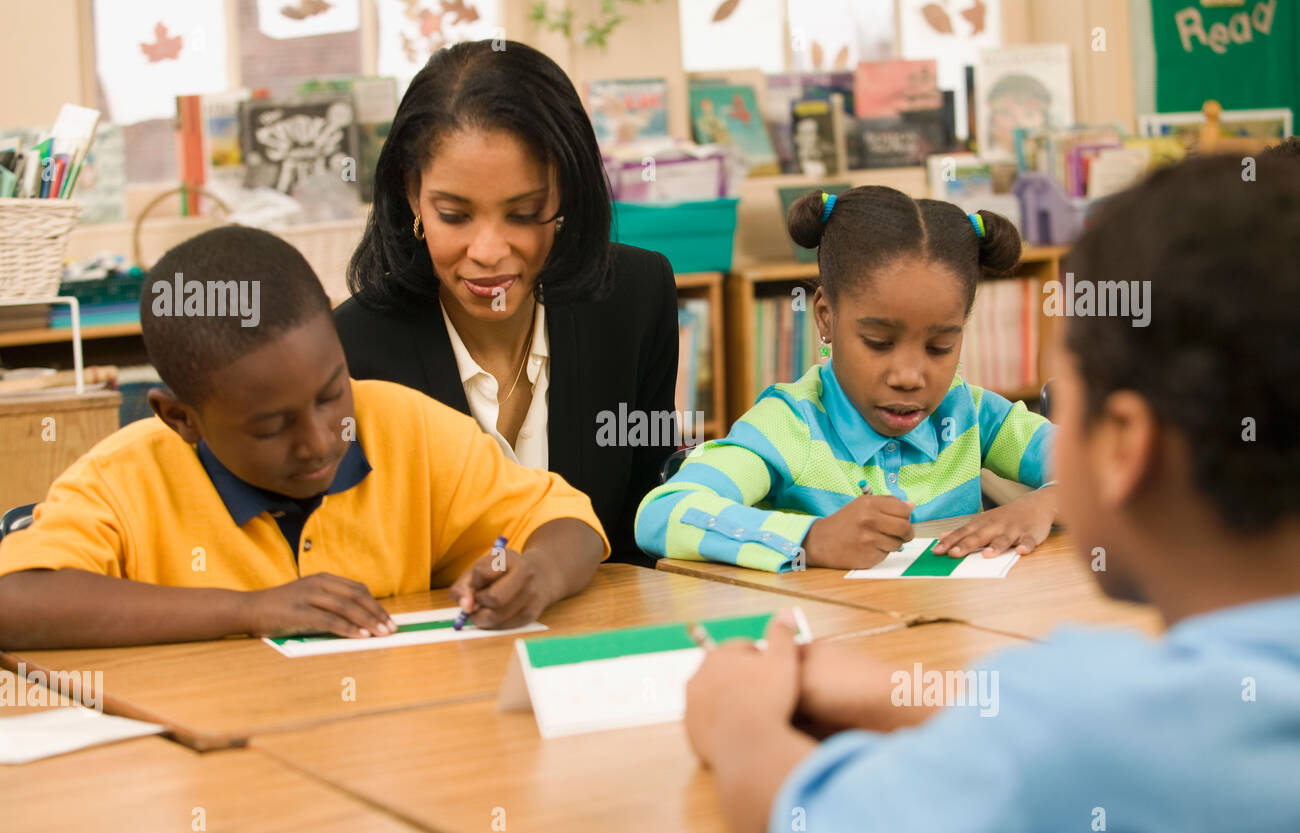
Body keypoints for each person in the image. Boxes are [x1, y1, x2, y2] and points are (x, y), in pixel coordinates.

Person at [683, 155, 1300, 833]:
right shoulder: (1127, 716)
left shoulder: (1077, 725)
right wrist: (904, 690)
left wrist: (738, 721)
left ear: (1123, 446)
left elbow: (820, 832)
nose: (913, 372)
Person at [0, 227, 609, 650]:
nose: (320, 440)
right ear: (182, 419)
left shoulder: (405, 428)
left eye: (329, 394)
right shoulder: (125, 478)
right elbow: (14, 602)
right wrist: (247, 611)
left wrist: (536, 574)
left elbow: (567, 520)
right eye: (270, 426)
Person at [336, 40, 679, 567]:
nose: (489, 253)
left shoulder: (635, 297)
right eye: (455, 215)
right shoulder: (349, 354)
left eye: (523, 213)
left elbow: (645, 529)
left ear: (565, 195)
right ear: (412, 194)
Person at [637, 185, 1055, 571]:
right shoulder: (789, 425)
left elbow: (1106, 466)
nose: (909, 377)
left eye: (939, 347)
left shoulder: (972, 415)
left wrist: (1047, 502)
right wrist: (811, 540)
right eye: (878, 342)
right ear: (825, 316)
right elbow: (663, 513)